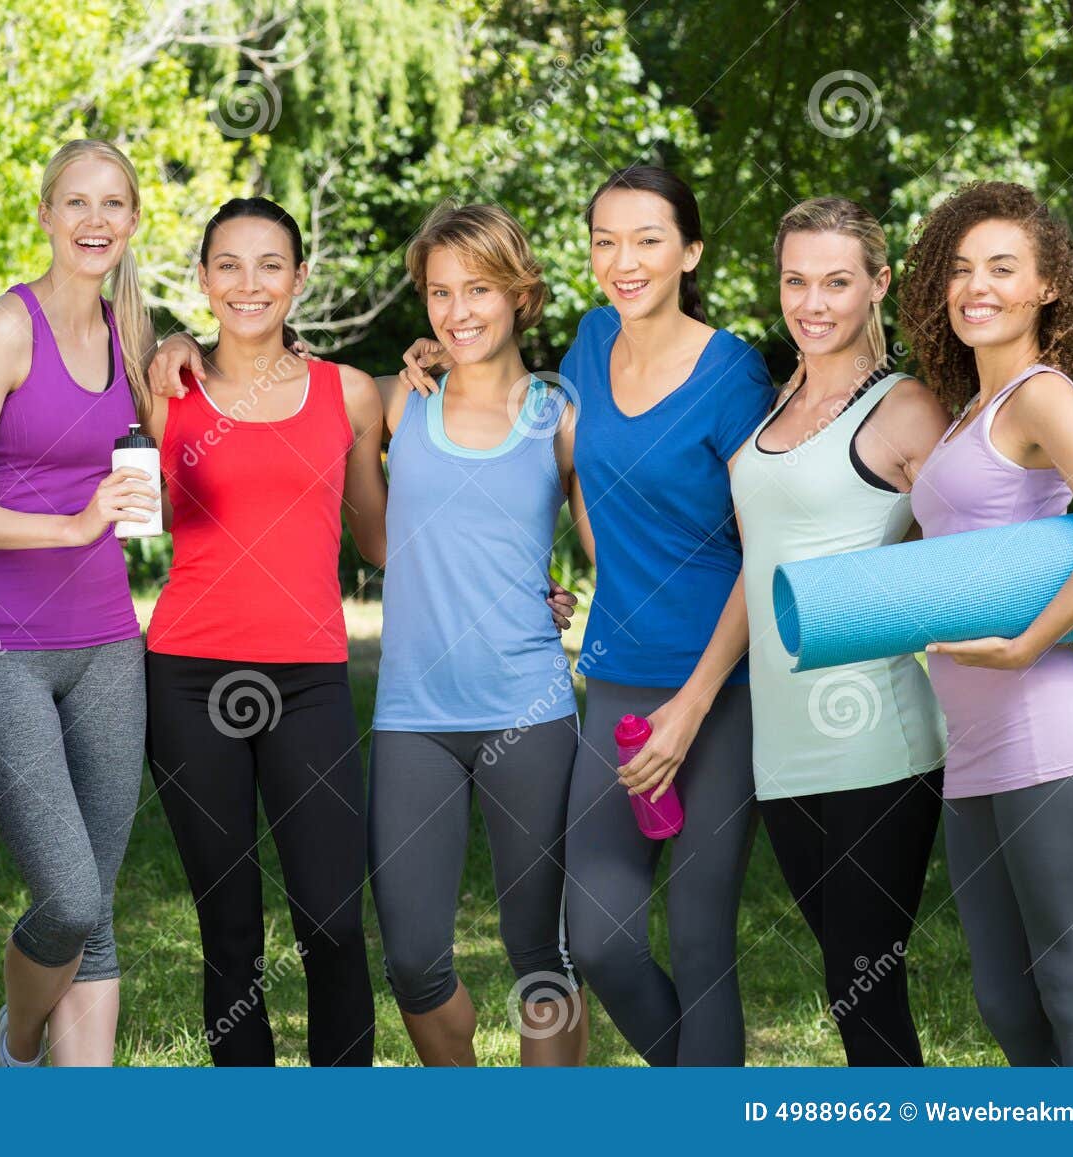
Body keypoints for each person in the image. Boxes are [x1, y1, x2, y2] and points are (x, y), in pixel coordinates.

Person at [900, 181, 1073, 1067]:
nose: (978, 286)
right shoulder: (970, 409)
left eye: (1003, 268)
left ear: (1047, 286)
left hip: (1048, 726)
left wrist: (1027, 642)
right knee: (1005, 999)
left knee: (1066, 984)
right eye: (962, 269)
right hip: (974, 740)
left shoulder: (1039, 396)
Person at [140, 197, 386, 1066]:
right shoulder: (165, 388)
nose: (250, 284)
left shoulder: (348, 393)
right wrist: (169, 345)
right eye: (230, 265)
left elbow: (384, 537)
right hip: (186, 677)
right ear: (203, 280)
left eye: (270, 264)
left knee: (332, 917)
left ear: (299, 279)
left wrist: (513, 584)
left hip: (309, 678)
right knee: (230, 926)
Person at [0, 139, 160, 1067]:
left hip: (110, 640)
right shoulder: (5, 330)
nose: (95, 221)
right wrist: (69, 527)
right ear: (45, 214)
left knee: (96, 911)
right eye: (76, 202)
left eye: (113, 204)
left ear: (135, 220)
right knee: (67, 897)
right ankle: (19, 1044)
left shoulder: (133, 334)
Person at [557, 165, 775, 1066]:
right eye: (605, 239)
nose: (624, 259)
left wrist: (691, 704)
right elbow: (573, 465)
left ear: (689, 250)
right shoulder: (589, 340)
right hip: (614, 677)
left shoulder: (734, 373)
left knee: (699, 941)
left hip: (721, 686)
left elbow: (765, 547)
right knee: (600, 936)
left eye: (647, 239)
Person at [728, 197, 950, 1064]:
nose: (811, 302)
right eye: (795, 280)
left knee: (866, 988)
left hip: (875, 738)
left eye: (835, 282)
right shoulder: (777, 397)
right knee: (846, 981)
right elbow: (758, 571)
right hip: (781, 741)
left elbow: (961, 560)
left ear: (878, 284)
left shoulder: (904, 408)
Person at [368, 202, 586, 1065]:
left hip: (527, 707)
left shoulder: (561, 415)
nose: (457, 311)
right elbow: (379, 537)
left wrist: (553, 589)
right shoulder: (400, 403)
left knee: (541, 955)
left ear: (520, 293)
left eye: (479, 290)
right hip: (412, 714)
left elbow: (614, 541)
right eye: (439, 293)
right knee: (414, 961)